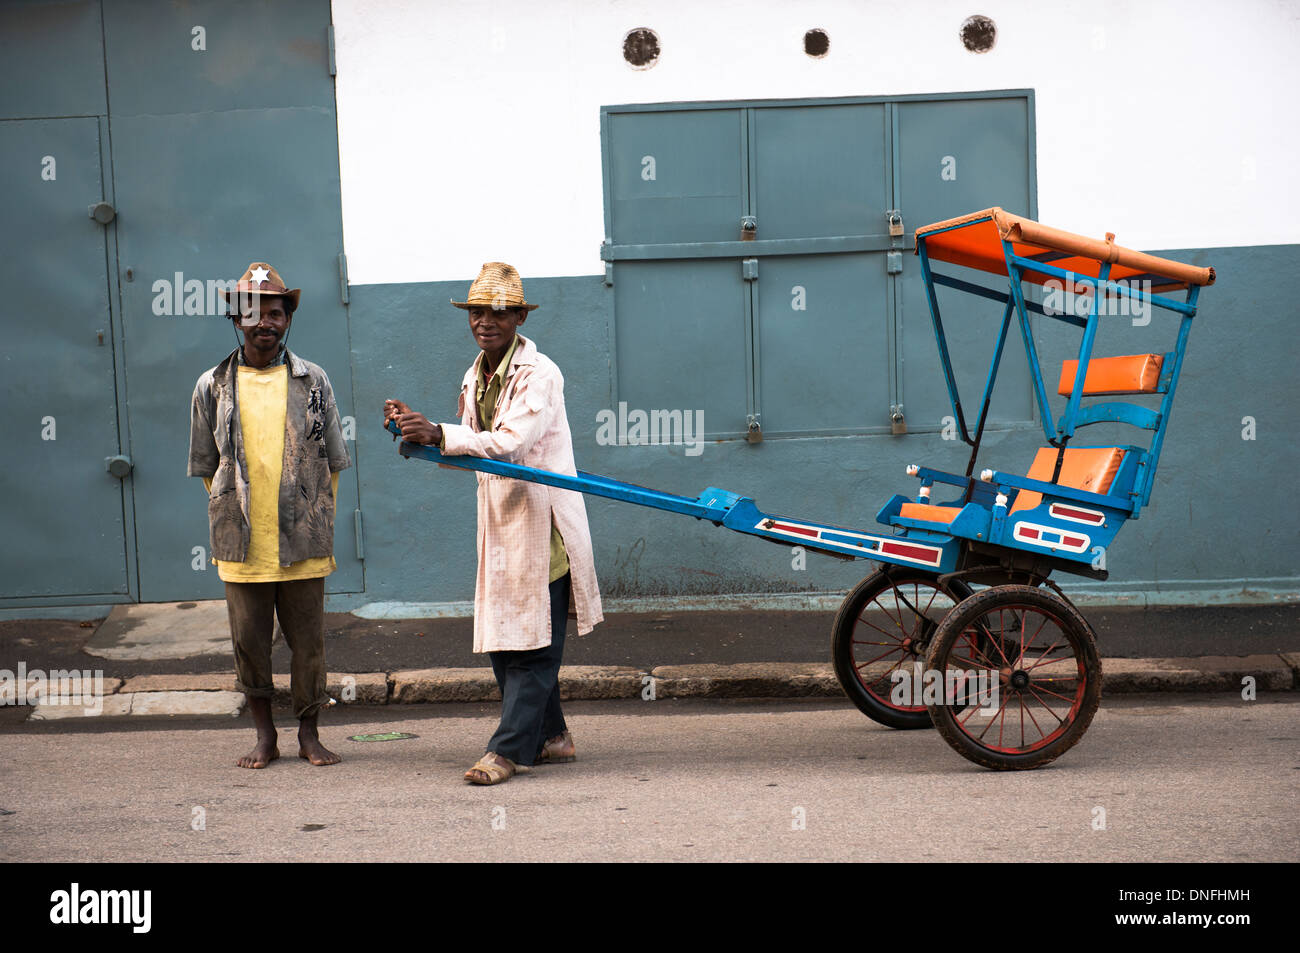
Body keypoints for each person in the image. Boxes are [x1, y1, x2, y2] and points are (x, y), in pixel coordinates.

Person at [384, 261, 603, 785]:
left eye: (500, 311)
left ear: (520, 316)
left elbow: (511, 444)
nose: (486, 320)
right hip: (501, 522)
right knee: (508, 640)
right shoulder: (475, 372)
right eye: (478, 310)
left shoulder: (540, 374)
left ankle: (507, 750)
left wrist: (438, 433)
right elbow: (473, 445)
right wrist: (420, 431)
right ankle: (553, 736)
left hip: (542, 520)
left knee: (535, 645)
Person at [188, 261, 351, 768]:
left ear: (288, 319)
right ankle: (264, 737)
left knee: (309, 647)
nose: (265, 323)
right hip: (241, 546)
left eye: (275, 313)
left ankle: (308, 733)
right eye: (253, 313)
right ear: (236, 320)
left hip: (303, 543)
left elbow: (335, 460)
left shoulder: (313, 381)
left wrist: (317, 521)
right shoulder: (211, 386)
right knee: (249, 646)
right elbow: (204, 464)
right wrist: (226, 519)